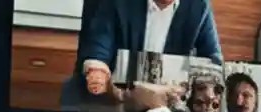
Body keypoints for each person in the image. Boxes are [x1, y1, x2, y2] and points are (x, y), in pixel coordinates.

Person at [79, 0, 223, 90]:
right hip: (121, 96)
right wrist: (98, 70)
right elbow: (100, 40)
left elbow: (213, 60)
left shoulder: (199, 5)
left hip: (171, 99)